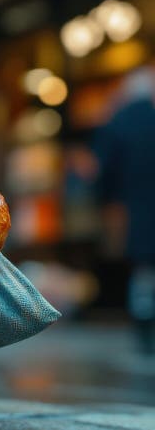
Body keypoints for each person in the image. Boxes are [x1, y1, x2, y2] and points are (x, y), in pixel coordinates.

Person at [94, 66, 155, 355]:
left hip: (137, 207)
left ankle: (144, 326)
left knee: (144, 270)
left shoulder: (120, 120)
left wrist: (107, 200)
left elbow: (105, 169)